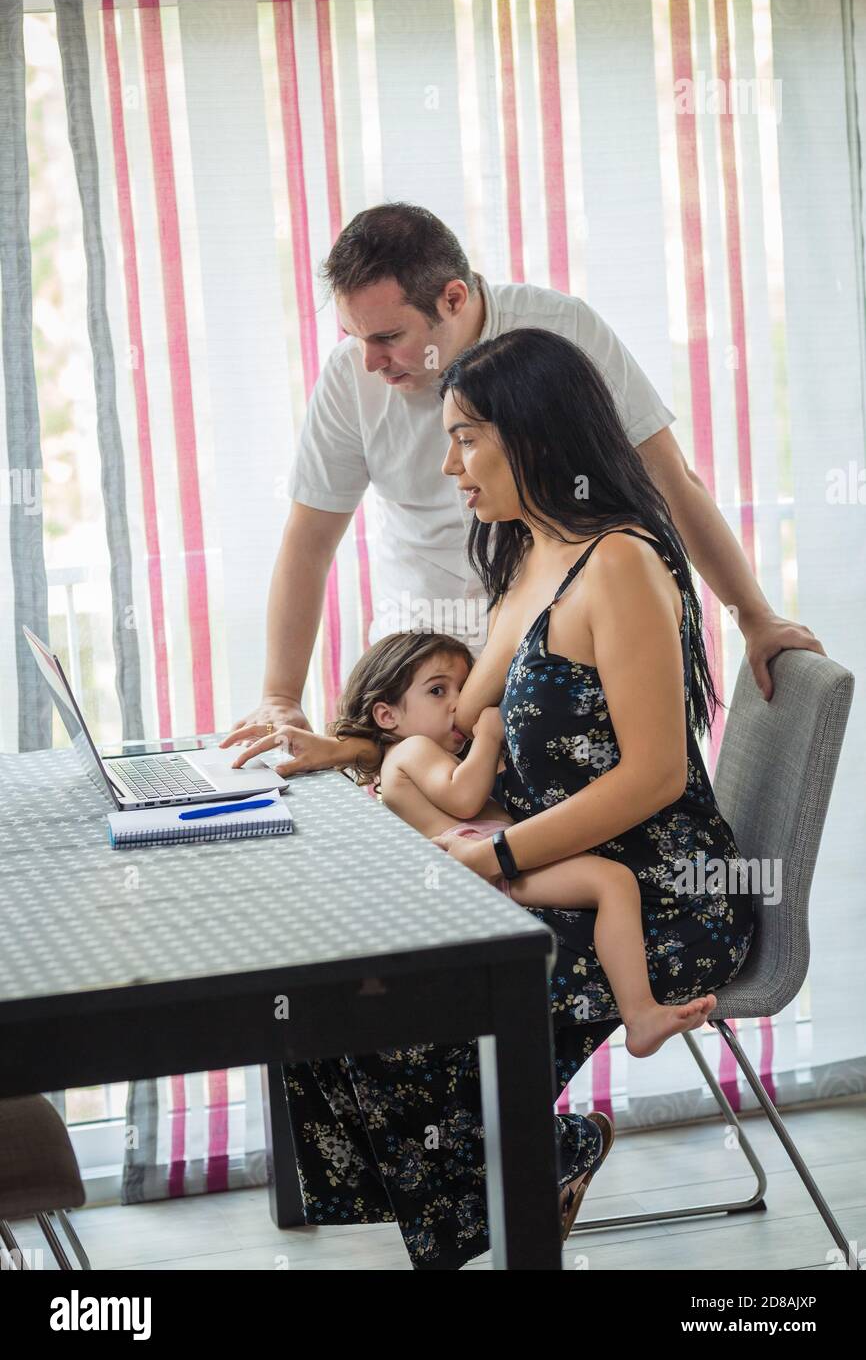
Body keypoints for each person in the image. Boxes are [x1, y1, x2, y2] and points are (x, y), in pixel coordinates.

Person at [273, 327, 756, 1270]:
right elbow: (471, 714)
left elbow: (655, 775)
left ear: (532, 434)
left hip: (664, 890)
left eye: (466, 437)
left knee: (408, 1016)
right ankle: (523, 1175)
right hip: (556, 868)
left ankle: (509, 1192)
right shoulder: (525, 554)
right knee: (331, 984)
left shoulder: (618, 562)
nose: (449, 463)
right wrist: (348, 747)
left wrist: (497, 857)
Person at [220, 201, 824, 778]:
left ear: (454, 297)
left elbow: (672, 481)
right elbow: (308, 542)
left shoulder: (561, 335)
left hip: (562, 669)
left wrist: (754, 615)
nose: (370, 360)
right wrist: (280, 696)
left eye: (388, 336)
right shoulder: (353, 377)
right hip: (431, 676)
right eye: (355, 336)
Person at [330, 628, 719, 1060]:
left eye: (463, 686)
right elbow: (463, 797)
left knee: (607, 882)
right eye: (438, 691)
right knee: (613, 881)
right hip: (479, 861)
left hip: (480, 860)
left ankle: (637, 1015)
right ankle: (640, 1012)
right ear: (387, 716)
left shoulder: (401, 757)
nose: (459, 703)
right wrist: (492, 735)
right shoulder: (413, 749)